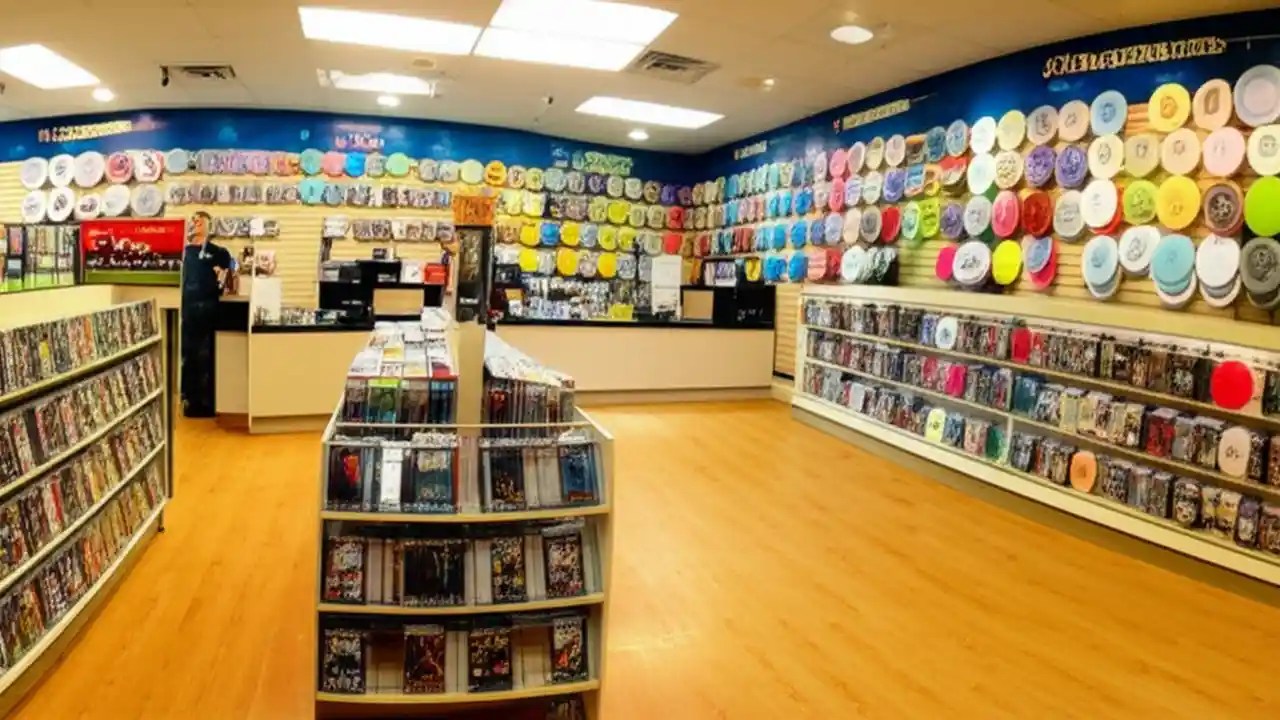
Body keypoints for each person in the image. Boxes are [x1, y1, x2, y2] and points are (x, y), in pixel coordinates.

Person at [179, 211, 233, 417]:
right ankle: (190, 400)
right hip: (188, 310)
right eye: (193, 221)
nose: (196, 224)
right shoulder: (184, 252)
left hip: (208, 308)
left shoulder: (217, 251)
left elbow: (229, 266)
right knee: (189, 355)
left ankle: (207, 401)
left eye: (200, 221)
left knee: (206, 355)